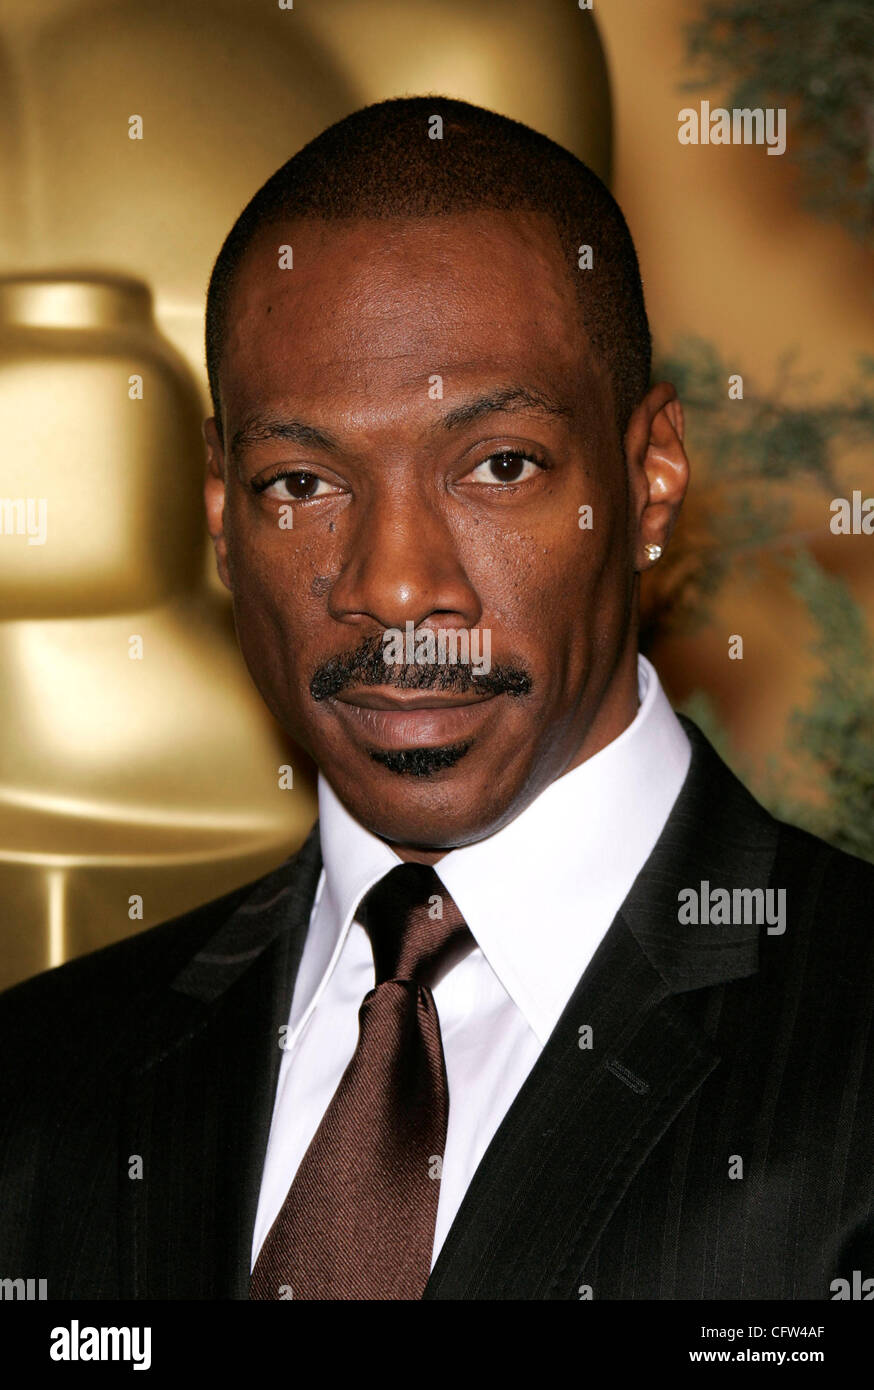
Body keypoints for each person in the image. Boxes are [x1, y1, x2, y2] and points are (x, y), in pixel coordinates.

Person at [1, 96, 872, 1302]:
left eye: (498, 466)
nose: (396, 584)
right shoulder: (38, 1085)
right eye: (301, 482)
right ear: (218, 512)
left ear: (650, 477)